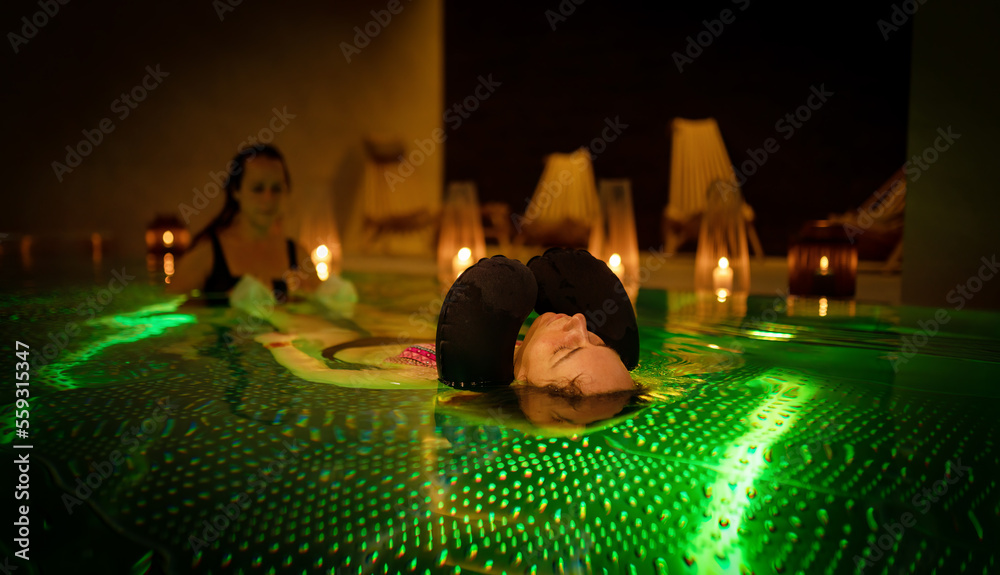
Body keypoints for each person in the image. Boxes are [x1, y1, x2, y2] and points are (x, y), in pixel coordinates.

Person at [169, 145, 318, 301]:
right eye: (257, 189)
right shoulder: (207, 255)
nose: (268, 199)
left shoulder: (299, 256)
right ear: (236, 190)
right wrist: (226, 305)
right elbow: (171, 310)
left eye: (276, 189)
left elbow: (324, 307)